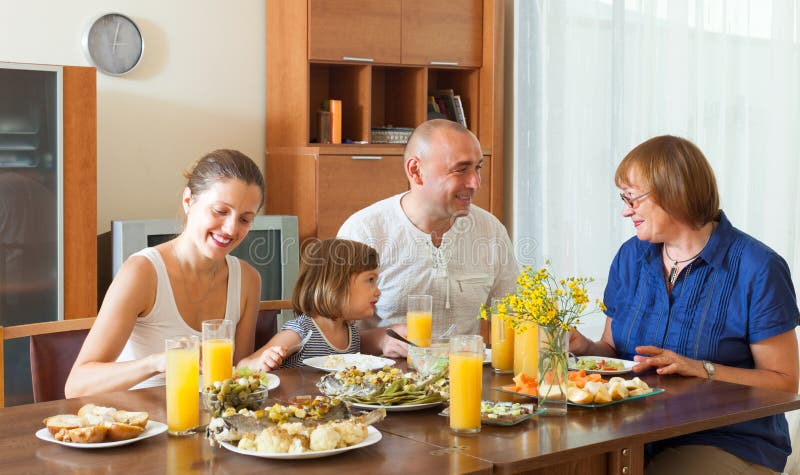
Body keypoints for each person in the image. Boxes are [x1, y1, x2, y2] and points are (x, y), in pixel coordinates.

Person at [569, 135, 799, 475]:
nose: (625, 210)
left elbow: (784, 383)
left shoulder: (758, 267)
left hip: (727, 440)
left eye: (633, 198)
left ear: (673, 193)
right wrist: (584, 348)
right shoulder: (630, 257)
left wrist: (703, 369)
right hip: (632, 433)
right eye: (624, 198)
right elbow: (614, 350)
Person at [65, 149, 264, 397]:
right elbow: (77, 385)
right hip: (140, 418)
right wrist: (157, 363)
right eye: (220, 211)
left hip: (207, 419)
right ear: (188, 200)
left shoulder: (247, 280)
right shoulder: (142, 273)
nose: (231, 229)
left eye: (245, 219)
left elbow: (237, 380)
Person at [338, 119, 518, 356]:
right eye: (461, 169)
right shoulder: (364, 231)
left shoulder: (491, 230)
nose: (475, 182)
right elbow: (326, 336)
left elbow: (515, 320)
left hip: (465, 374)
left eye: (478, 168)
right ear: (416, 171)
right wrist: (378, 340)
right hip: (384, 377)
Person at [238, 238, 381, 370]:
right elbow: (242, 366)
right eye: (370, 280)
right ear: (336, 284)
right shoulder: (301, 332)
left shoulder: (351, 334)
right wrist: (263, 361)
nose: (378, 291)